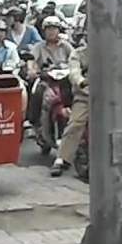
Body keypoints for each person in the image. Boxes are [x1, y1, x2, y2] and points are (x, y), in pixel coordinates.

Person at [26, 16, 75, 136]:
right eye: (48, 29)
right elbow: (31, 60)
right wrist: (31, 70)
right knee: (37, 91)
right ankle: (35, 123)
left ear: (59, 31)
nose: (51, 32)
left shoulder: (66, 46)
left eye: (54, 29)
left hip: (64, 81)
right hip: (46, 80)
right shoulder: (39, 47)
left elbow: (75, 58)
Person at [50, 37, 90, 177]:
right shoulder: (78, 54)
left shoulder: (112, 53)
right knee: (75, 123)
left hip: (109, 97)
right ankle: (61, 158)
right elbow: (74, 72)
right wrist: (81, 82)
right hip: (85, 97)